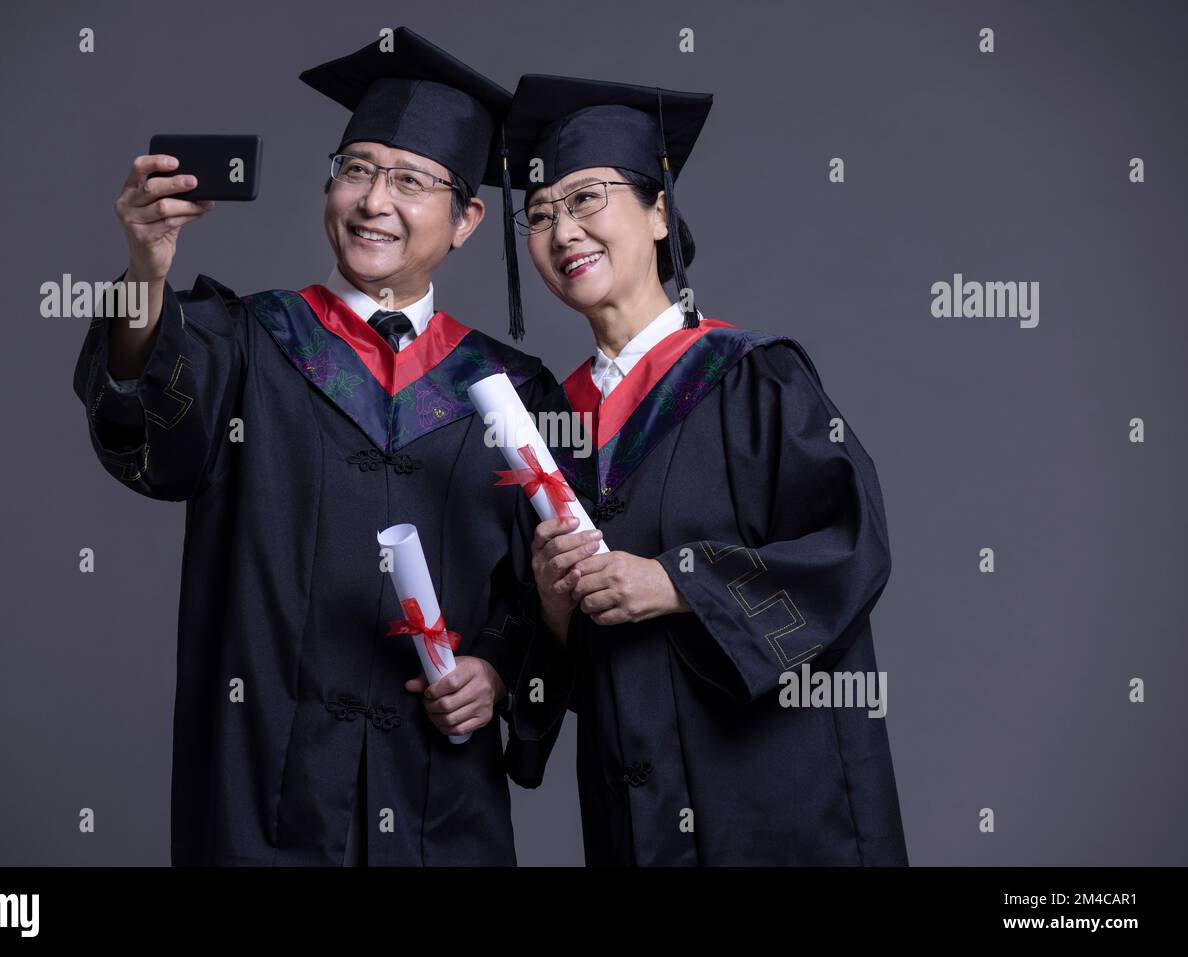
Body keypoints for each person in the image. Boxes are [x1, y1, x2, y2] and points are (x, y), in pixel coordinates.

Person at [71, 28, 557, 866]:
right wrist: (147, 269)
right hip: (266, 794)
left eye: (410, 180)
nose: (375, 201)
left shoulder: (513, 391)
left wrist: (499, 672)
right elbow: (151, 439)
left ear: (468, 217)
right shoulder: (247, 341)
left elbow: (542, 589)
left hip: (438, 803)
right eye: (357, 169)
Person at [496, 74, 909, 865]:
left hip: (785, 813)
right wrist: (551, 611)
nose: (561, 230)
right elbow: (551, 679)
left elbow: (853, 547)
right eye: (540, 214)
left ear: (658, 212)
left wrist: (682, 581)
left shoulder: (754, 376)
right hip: (634, 821)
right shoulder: (552, 429)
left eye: (587, 198)